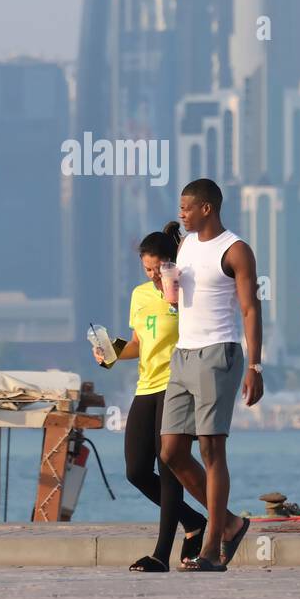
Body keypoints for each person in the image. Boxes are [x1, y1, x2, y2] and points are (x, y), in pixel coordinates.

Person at [159, 178, 264, 572]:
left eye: (187, 207)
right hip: (183, 354)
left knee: (211, 448)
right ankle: (232, 524)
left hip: (220, 353)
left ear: (207, 208)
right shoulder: (185, 246)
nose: (181, 213)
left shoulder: (235, 249)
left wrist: (255, 365)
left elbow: (251, 309)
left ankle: (211, 549)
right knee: (170, 451)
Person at [92, 223, 207, 572]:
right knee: (136, 470)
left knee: (170, 466)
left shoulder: (188, 291)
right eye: (148, 270)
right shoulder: (140, 295)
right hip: (146, 386)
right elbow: (139, 342)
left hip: (178, 386)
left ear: (172, 263)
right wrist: (109, 352)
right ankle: (194, 522)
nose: (154, 276)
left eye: (159, 269)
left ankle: (161, 555)